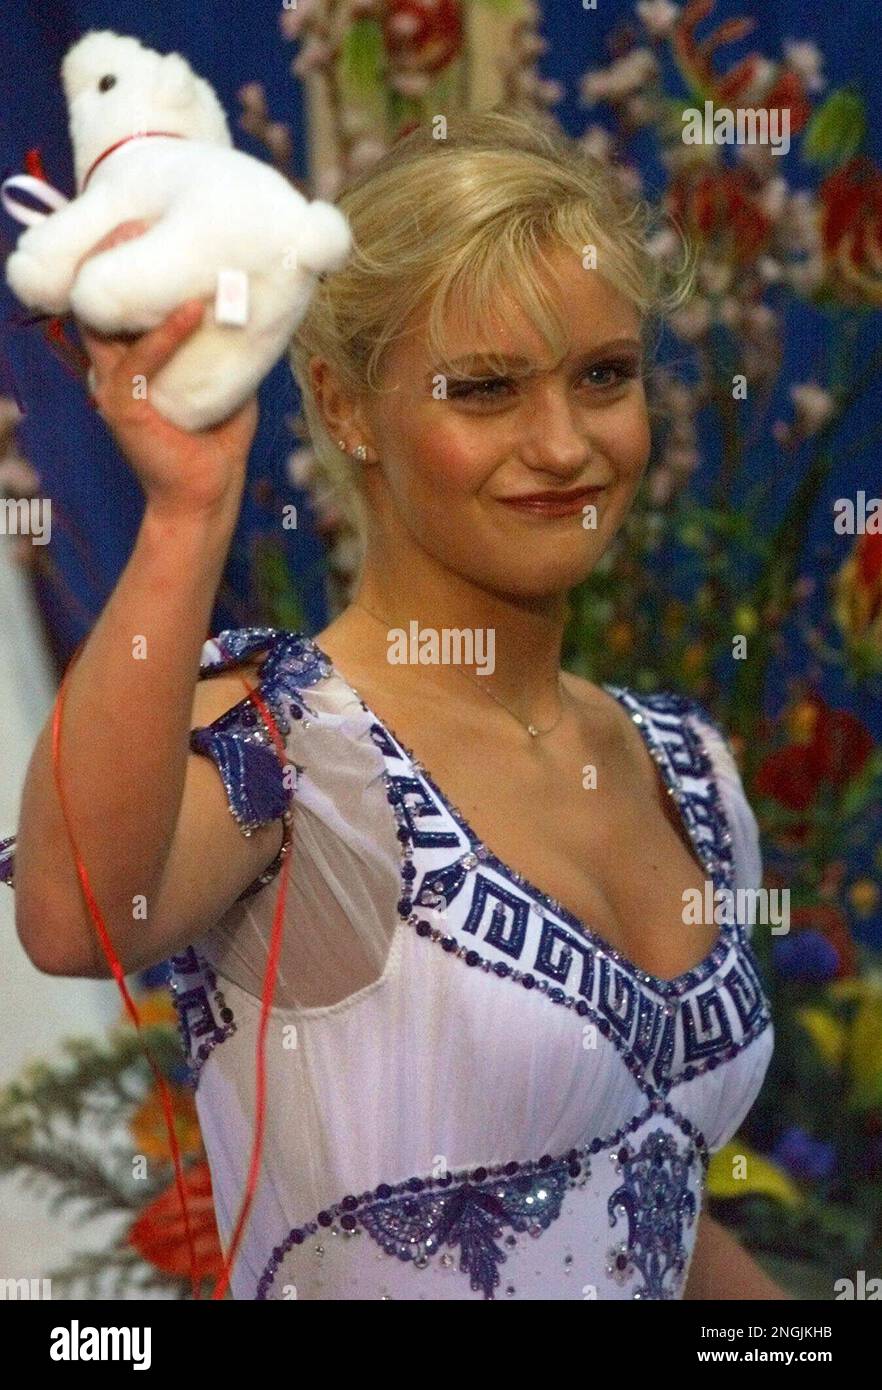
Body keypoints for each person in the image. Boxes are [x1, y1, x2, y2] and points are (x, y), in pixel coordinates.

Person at [5, 110, 787, 1300]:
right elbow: (79, 922)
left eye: (604, 377)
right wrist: (186, 511)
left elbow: (650, 1197)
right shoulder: (288, 745)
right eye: (484, 390)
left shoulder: (691, 767)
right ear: (348, 405)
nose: (564, 442)